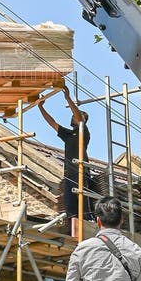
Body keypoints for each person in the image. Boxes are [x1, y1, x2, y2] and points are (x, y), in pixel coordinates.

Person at [38, 83, 93, 222]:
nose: (73, 116)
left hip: (80, 173)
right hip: (68, 175)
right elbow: (52, 123)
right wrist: (41, 107)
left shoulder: (83, 132)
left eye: (76, 116)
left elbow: (77, 115)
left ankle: (85, 227)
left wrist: (67, 97)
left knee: (83, 208)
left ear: (83, 120)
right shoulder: (68, 134)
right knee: (70, 209)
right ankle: (72, 231)